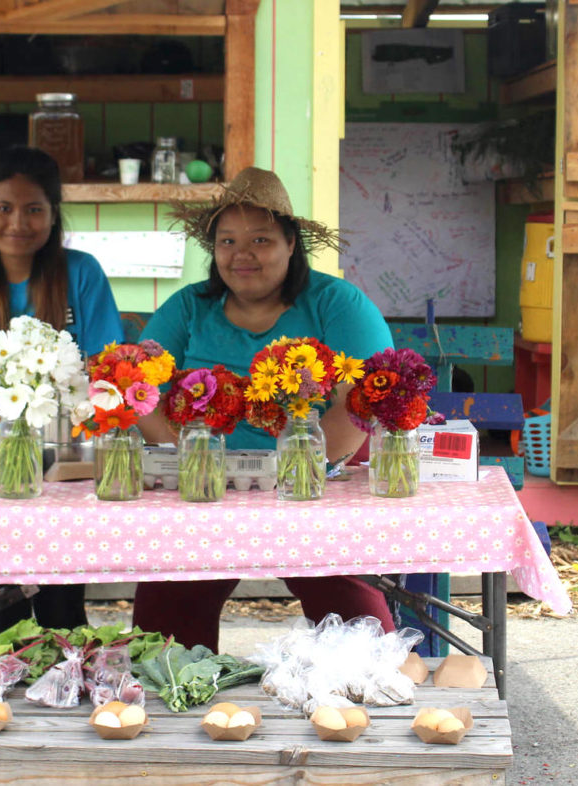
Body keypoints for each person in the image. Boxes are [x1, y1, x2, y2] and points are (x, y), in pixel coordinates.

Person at [134, 166, 396, 652]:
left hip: (310, 490)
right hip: (204, 492)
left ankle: (372, 682)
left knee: (357, 622)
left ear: (292, 243)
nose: (242, 255)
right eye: (228, 241)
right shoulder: (190, 307)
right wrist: (193, 456)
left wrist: (299, 471)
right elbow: (139, 389)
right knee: (165, 623)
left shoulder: (337, 304)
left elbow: (363, 401)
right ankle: (175, 693)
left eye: (261, 240)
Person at [0, 146, 124, 637]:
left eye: (34, 208)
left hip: (71, 466)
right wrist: (17, 468)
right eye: (4, 208)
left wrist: (58, 466)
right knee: (2, 614)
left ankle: (70, 679)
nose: (18, 222)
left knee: (61, 609)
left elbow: (104, 378)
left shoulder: (81, 274)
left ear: (53, 215)